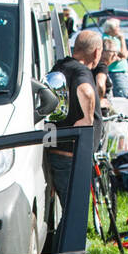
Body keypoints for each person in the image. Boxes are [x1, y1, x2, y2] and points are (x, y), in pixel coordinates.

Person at [46, 29, 100, 224]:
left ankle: (64, 252)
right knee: (74, 219)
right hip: (71, 156)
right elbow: (86, 92)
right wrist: (87, 119)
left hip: (54, 150)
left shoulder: (59, 67)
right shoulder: (81, 71)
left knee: (67, 214)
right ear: (96, 52)